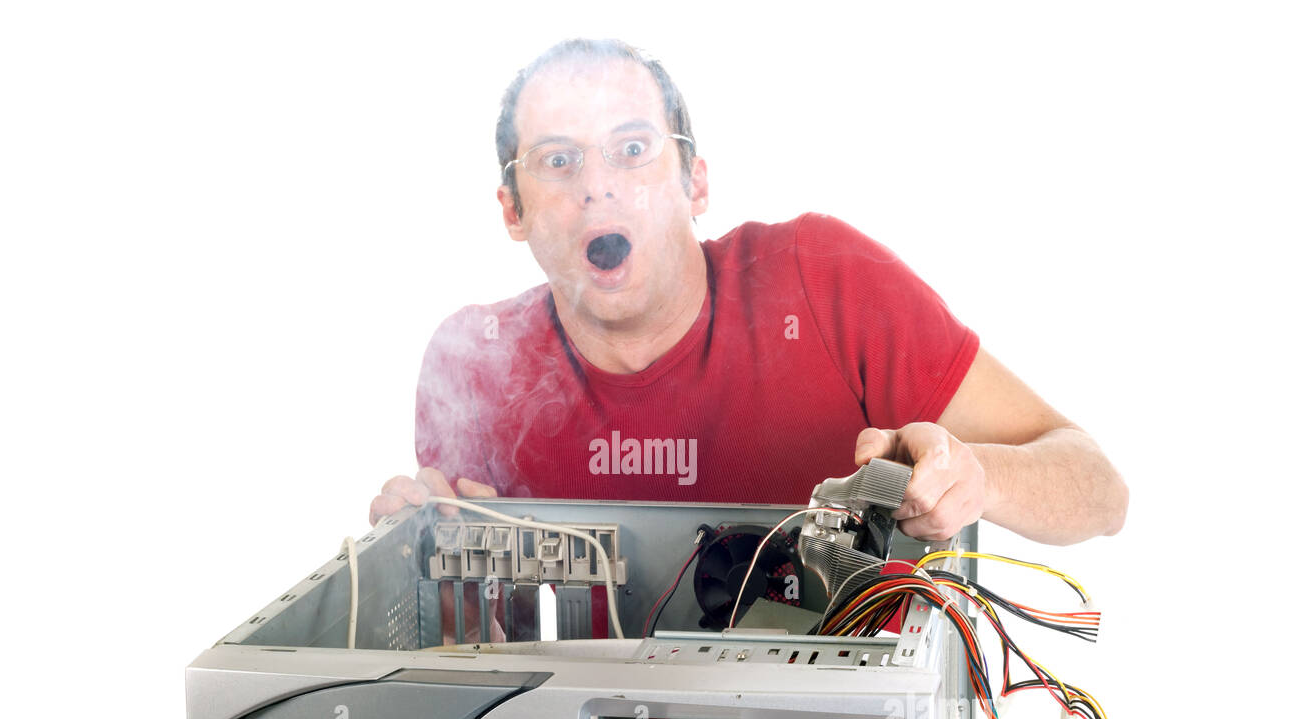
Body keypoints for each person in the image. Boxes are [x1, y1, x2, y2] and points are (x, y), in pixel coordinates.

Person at [370, 38, 1128, 550]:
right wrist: (423, 552)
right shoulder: (473, 366)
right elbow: (481, 650)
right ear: (512, 209)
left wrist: (978, 476)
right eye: (557, 161)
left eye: (632, 150)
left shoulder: (824, 279)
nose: (597, 185)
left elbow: (1099, 487)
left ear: (694, 182)